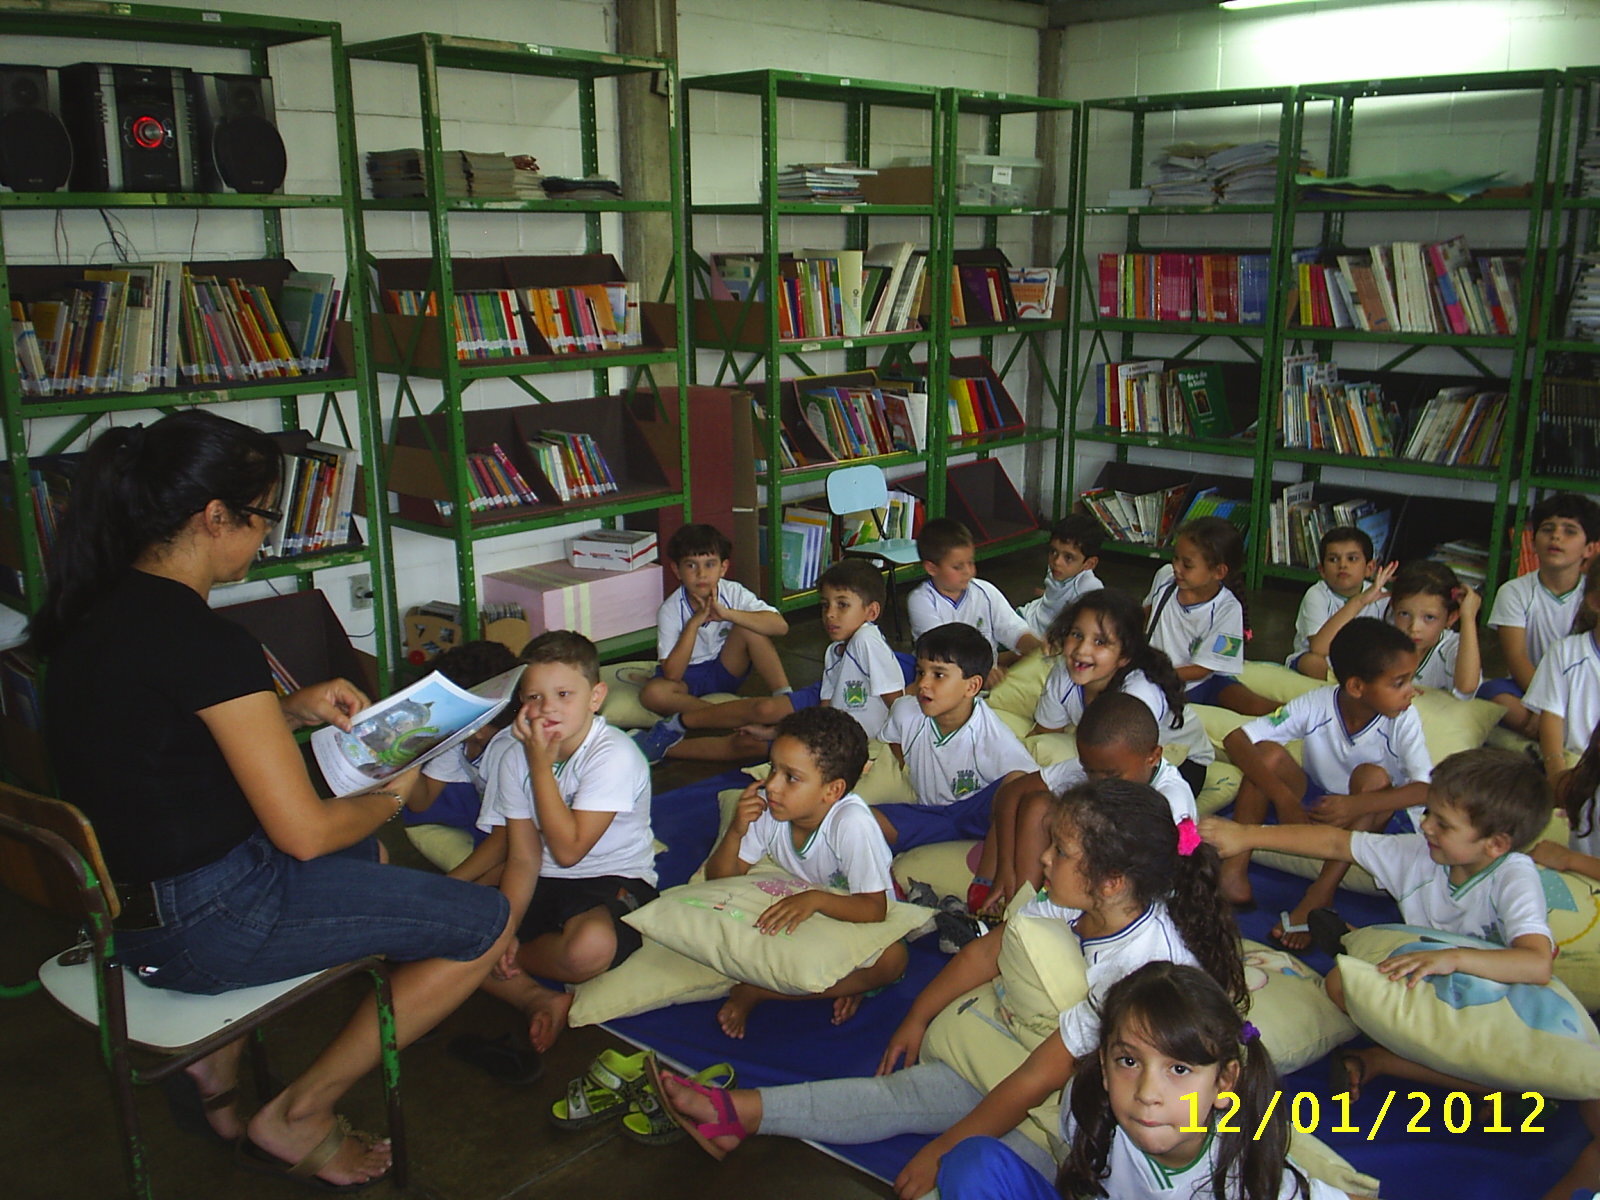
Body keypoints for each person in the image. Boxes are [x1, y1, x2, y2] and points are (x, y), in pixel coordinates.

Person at [34, 411, 512, 1189]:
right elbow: (305, 834)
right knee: (484, 922)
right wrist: (394, 794)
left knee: (368, 856)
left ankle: (217, 1059)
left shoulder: (94, 611)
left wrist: (286, 711)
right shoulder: (207, 642)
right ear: (213, 517)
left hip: (118, 909)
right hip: (204, 922)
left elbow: (157, 737)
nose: (267, 537)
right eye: (263, 517)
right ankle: (299, 1113)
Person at [647, 779, 1245, 1200]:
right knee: (903, 1094)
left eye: (1058, 851)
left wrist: (942, 1150)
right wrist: (919, 1016)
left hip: (1094, 1124)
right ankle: (741, 1113)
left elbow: (1042, 1078)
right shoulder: (1075, 899)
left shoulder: (1138, 974)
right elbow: (990, 949)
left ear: (1110, 882)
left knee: (960, 1173)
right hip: (1042, 1057)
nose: (1040, 858)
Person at [1202, 747, 1555, 1102]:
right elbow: (1336, 843)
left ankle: (1384, 1060)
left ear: (1496, 844)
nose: (1426, 826)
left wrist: (1453, 958)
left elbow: (1537, 964)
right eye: (1428, 812)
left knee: (1512, 1073)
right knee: (1340, 984)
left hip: (1489, 1005)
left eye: (1443, 824)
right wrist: (1247, 835)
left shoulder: (1513, 875)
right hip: (1429, 982)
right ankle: (1365, 948)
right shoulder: (1419, 853)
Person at [935, 963, 1366, 1200]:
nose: (1146, 1093)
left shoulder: (1247, 1178)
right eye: (1128, 1061)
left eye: (1178, 1070)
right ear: (1104, 1067)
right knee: (973, 1165)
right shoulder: (1087, 1109)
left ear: (1224, 1082)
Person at [451, 630, 654, 1053]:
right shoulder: (514, 755)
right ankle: (534, 996)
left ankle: (499, 960)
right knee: (443, 925)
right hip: (541, 879)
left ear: (595, 697)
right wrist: (505, 930)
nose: (548, 709)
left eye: (564, 694)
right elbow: (524, 858)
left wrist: (540, 766)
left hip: (611, 876)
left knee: (589, 949)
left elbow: (569, 850)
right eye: (534, 697)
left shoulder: (612, 755)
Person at [1221, 618, 1432, 950]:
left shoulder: (1404, 719)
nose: (1411, 691)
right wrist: (1284, 799)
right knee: (1266, 753)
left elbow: (1425, 789)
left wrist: (1354, 805)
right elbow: (1236, 739)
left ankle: (1320, 893)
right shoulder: (1316, 703)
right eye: (1399, 683)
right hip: (1318, 804)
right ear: (1357, 687)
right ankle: (1234, 872)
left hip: (1373, 814)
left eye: (1410, 680)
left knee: (1372, 776)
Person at [703, 706, 905, 1038]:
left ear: (832, 791)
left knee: (892, 961)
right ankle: (845, 984)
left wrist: (815, 901)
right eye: (773, 768)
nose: (772, 785)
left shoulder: (851, 823)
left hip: (856, 910)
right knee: (724, 918)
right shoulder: (770, 808)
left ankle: (759, 991)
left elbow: (874, 909)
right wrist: (736, 832)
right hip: (807, 907)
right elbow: (720, 881)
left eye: (791, 777)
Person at [634, 558, 904, 763]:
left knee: (755, 733)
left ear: (871, 612)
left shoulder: (866, 640)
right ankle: (665, 740)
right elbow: (824, 716)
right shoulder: (834, 651)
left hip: (855, 751)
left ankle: (665, 741)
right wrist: (776, 732)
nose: (830, 614)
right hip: (834, 741)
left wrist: (900, 760)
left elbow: (899, 706)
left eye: (842, 604)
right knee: (754, 732)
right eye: (825, 605)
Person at [987, 693, 1197, 915]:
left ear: (1153, 757)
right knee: (1038, 805)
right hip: (1083, 874)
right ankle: (1018, 905)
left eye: (1112, 775)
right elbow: (1012, 792)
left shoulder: (1171, 802)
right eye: (1089, 771)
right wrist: (1005, 868)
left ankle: (1036, 914)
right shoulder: (1102, 765)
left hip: (1126, 899)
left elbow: (1144, 883)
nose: (1099, 782)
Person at [871, 623, 1036, 855]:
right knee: (862, 818)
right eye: (920, 672)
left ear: (972, 686)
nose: (923, 684)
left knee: (1016, 783)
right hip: (929, 815)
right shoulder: (905, 711)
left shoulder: (992, 738)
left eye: (938, 675)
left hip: (975, 818)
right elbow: (892, 748)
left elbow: (1030, 786)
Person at [1030, 588, 1213, 789]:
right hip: (1111, 762)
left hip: (1178, 762)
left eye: (1100, 642)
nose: (1082, 650)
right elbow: (1045, 733)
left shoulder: (1138, 694)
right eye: (1077, 635)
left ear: (1124, 656)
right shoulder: (1064, 673)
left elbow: (1128, 769)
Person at [637, 523, 790, 723]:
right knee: (652, 694)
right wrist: (693, 624)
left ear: (723, 568)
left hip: (725, 668)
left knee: (748, 627)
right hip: (686, 679)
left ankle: (784, 697)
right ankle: (725, 715)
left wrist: (728, 614)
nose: (701, 574)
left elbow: (781, 627)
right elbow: (673, 675)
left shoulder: (733, 592)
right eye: (691, 565)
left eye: (709, 564)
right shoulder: (670, 609)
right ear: (677, 570)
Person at [1482, 494, 1600, 737]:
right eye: (1547, 529)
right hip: (1528, 685)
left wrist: (1559, 706)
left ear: (1589, 549)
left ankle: (1552, 731)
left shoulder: (1592, 595)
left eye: (1569, 531)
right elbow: (1516, 658)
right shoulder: (1514, 592)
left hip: (1581, 687)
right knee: (1492, 693)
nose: (1556, 536)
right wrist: (1544, 704)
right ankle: (1558, 730)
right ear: (1533, 542)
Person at [401, 639, 522, 870]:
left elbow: (505, 841)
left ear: (477, 727)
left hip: (524, 837)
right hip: (499, 827)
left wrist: (454, 883)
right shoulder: (463, 741)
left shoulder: (507, 751)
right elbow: (421, 803)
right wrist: (408, 755)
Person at [1141, 515, 1274, 716]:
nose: (1176, 567)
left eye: (1187, 564)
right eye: (1175, 558)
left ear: (1219, 572)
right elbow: (1145, 614)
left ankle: (1301, 714)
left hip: (1199, 682)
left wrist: (1159, 674)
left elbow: (1204, 669)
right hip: (1158, 680)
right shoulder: (1165, 577)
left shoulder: (1228, 609)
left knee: (1253, 705)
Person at [1299, 560, 1482, 700]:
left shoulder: (1452, 646)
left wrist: (1468, 618)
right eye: (1404, 614)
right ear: (1393, 608)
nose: (1414, 628)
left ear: (1451, 618)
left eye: (1429, 618)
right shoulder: (1383, 631)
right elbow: (1319, 649)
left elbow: (1467, 686)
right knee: (1309, 662)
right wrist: (1360, 600)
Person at [906, 518, 1041, 687]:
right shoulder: (921, 601)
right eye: (958, 567)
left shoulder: (985, 591)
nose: (968, 571)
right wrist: (981, 674)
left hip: (985, 680)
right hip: (941, 686)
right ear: (931, 568)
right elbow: (943, 652)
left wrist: (1038, 647)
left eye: (971, 562)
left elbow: (1012, 628)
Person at [1525, 554, 1600, 784]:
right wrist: (1558, 778)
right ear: (1595, 602)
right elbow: (1551, 720)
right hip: (1575, 767)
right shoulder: (1566, 653)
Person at [1287, 525, 1385, 668]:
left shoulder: (1381, 596)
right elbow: (1319, 648)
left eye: (1352, 559)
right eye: (1333, 559)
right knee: (1314, 662)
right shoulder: (1316, 595)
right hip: (1320, 660)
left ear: (1369, 568)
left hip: (1360, 666)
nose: (1342, 565)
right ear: (1322, 570)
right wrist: (1359, 601)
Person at [1018, 514, 1104, 641]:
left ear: (1089, 564)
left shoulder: (1090, 588)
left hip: (1044, 639)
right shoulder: (1059, 569)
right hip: (1026, 617)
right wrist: (1048, 595)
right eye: (1053, 551)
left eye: (1068, 557)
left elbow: (1093, 628)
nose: (1057, 561)